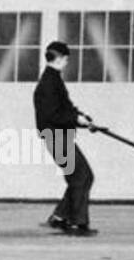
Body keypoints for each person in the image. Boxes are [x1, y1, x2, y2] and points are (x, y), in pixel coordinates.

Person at [33, 41, 98, 236]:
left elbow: (66, 108)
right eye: (66, 59)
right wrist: (76, 118)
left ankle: (60, 217)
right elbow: (52, 115)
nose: (67, 62)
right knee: (82, 175)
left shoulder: (53, 80)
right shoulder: (48, 83)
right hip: (55, 136)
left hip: (60, 136)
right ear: (59, 58)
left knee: (79, 176)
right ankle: (77, 223)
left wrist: (82, 118)